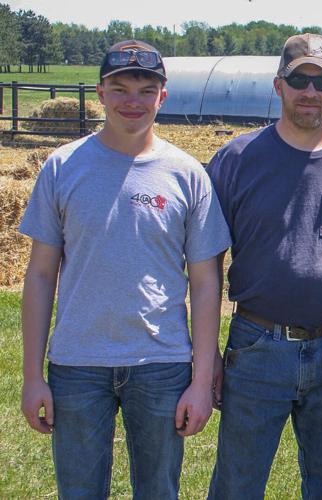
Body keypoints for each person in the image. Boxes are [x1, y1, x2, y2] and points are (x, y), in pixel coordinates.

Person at [18, 40, 230, 499]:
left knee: (157, 491)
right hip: (77, 363)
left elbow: (206, 281)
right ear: (99, 93)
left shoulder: (187, 174)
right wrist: (33, 376)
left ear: (163, 96)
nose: (132, 101)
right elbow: (38, 276)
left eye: (145, 89)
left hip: (161, 363)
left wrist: (199, 379)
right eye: (120, 88)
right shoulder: (62, 167)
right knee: (78, 491)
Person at [206, 33, 322, 499]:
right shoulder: (236, 160)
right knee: (237, 485)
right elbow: (204, 265)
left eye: (320, 81)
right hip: (258, 344)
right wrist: (205, 357)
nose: (310, 91)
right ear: (278, 86)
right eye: (298, 79)